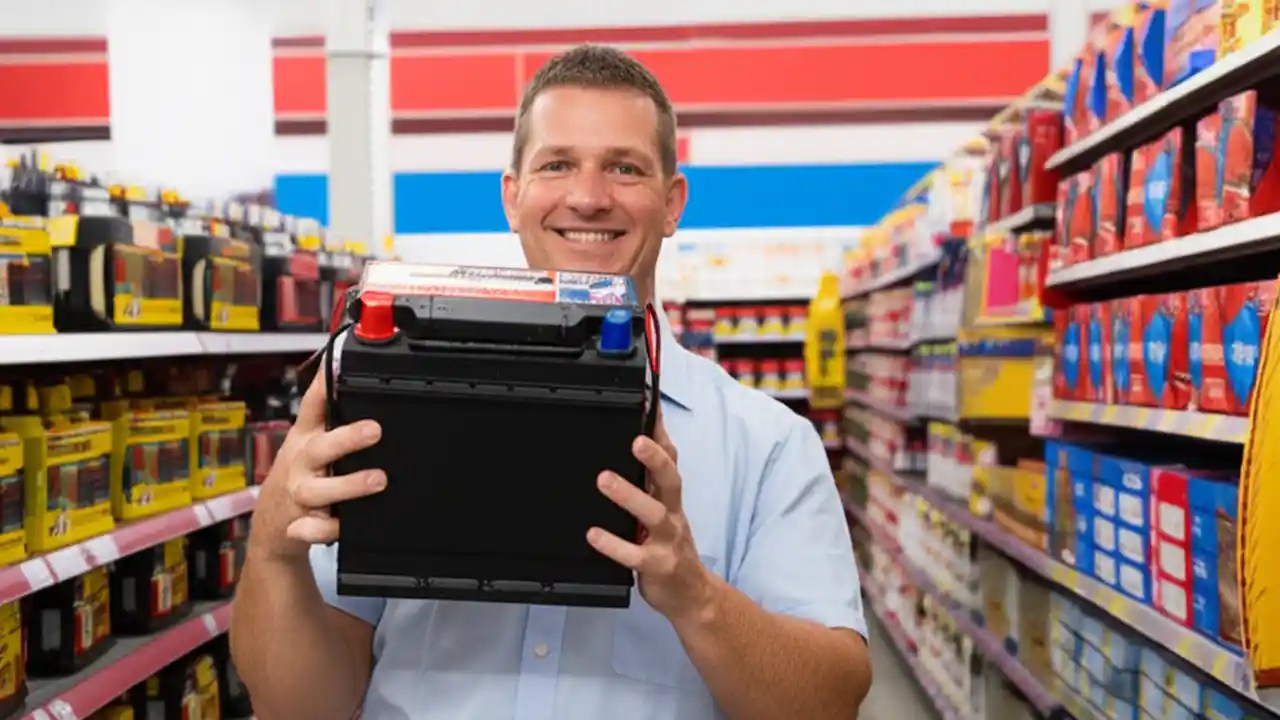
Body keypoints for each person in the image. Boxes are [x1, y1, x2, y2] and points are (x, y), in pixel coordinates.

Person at [230, 44, 872, 720]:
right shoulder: (393, 410)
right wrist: (272, 546)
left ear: (672, 201)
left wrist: (694, 595)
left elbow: (829, 704)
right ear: (514, 196)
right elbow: (301, 709)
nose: (589, 198)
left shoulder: (767, 445)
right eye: (557, 164)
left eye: (624, 168)